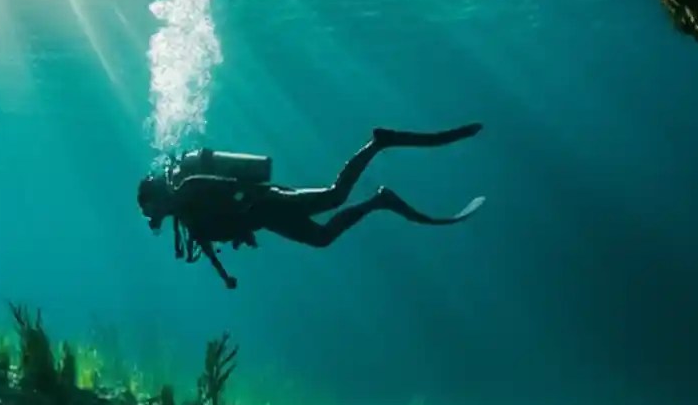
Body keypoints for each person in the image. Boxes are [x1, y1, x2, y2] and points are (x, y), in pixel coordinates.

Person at [136, 123, 485, 289]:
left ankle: (378, 144)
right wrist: (225, 276)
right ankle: (381, 200)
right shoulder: (185, 219)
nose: (151, 217)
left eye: (148, 209)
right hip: (266, 218)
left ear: (156, 197)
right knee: (321, 238)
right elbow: (207, 248)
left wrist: (245, 206)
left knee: (335, 196)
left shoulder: (189, 186)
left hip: (269, 201)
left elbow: (234, 187)